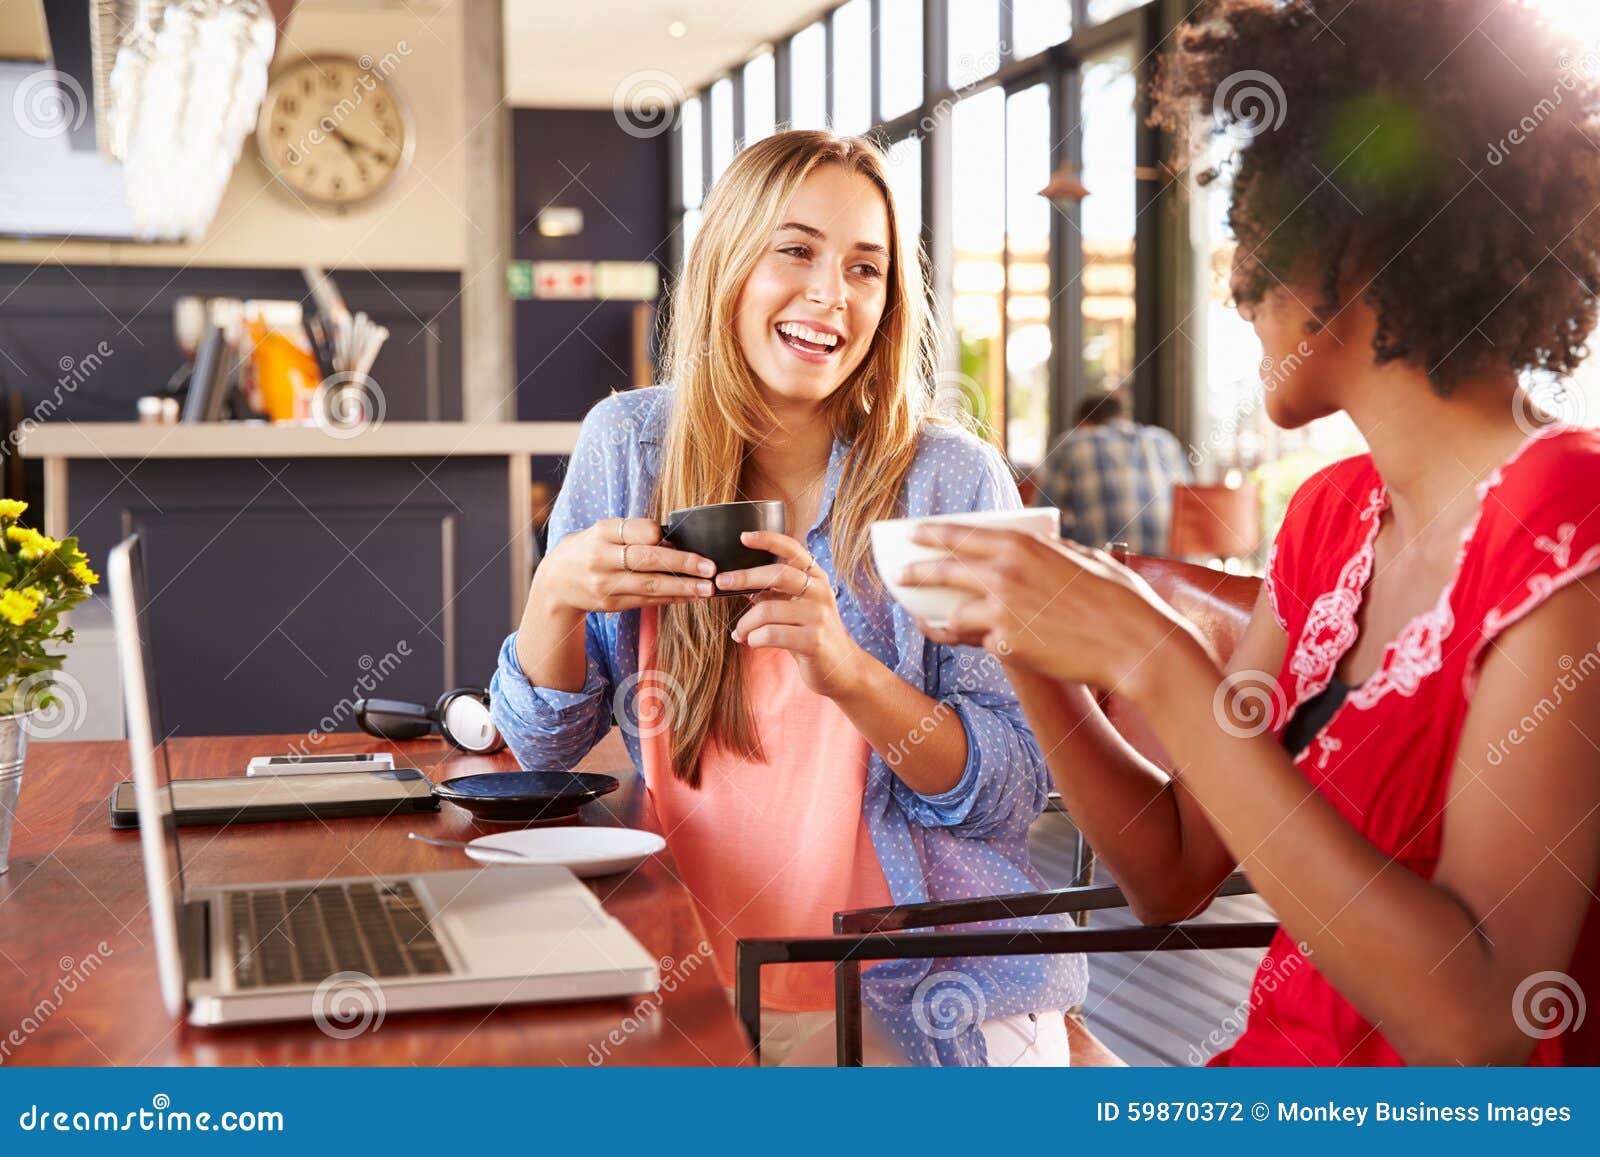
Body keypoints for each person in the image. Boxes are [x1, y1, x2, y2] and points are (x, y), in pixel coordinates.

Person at [897, 0, 1600, 1065]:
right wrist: (1020, 630)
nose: (1230, 280)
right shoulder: (1332, 517)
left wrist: (1155, 659)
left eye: (1252, 228)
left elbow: (1483, 1030)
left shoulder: (1565, 527)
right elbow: (1174, 865)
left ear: (1356, 241)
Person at [489, 130, 1081, 1067]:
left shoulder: (952, 480)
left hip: (920, 990)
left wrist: (849, 672)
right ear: (728, 261)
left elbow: (1010, 791)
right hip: (688, 972)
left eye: (864, 269)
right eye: (796, 250)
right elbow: (543, 748)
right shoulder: (631, 446)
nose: (829, 295)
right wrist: (554, 598)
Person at [1039, 390, 1193, 555]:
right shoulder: (1164, 441)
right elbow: (1191, 507)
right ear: (1123, 417)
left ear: (1083, 424)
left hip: (1104, 570)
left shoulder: (1071, 444)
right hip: (1170, 570)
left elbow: (1044, 518)